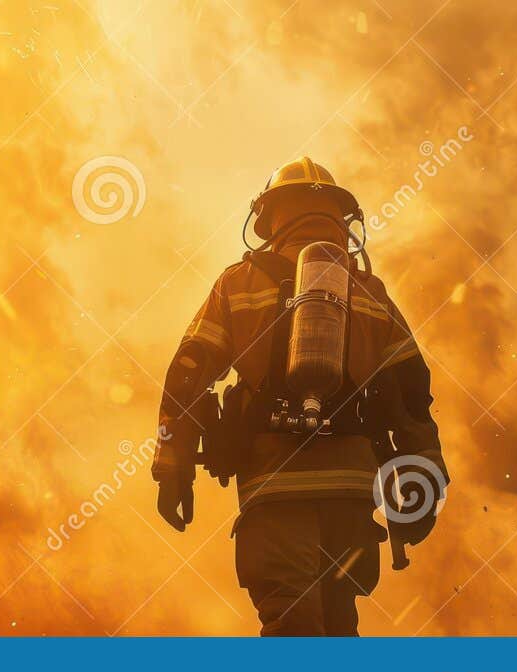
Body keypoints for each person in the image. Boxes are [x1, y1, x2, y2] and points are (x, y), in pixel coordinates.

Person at [151, 158, 449, 636]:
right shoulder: (369, 291)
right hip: (350, 496)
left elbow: (187, 375)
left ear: (270, 219)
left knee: (293, 627)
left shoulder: (238, 283)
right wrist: (424, 488)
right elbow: (413, 396)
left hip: (275, 489)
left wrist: (173, 466)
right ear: (339, 217)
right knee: (338, 627)